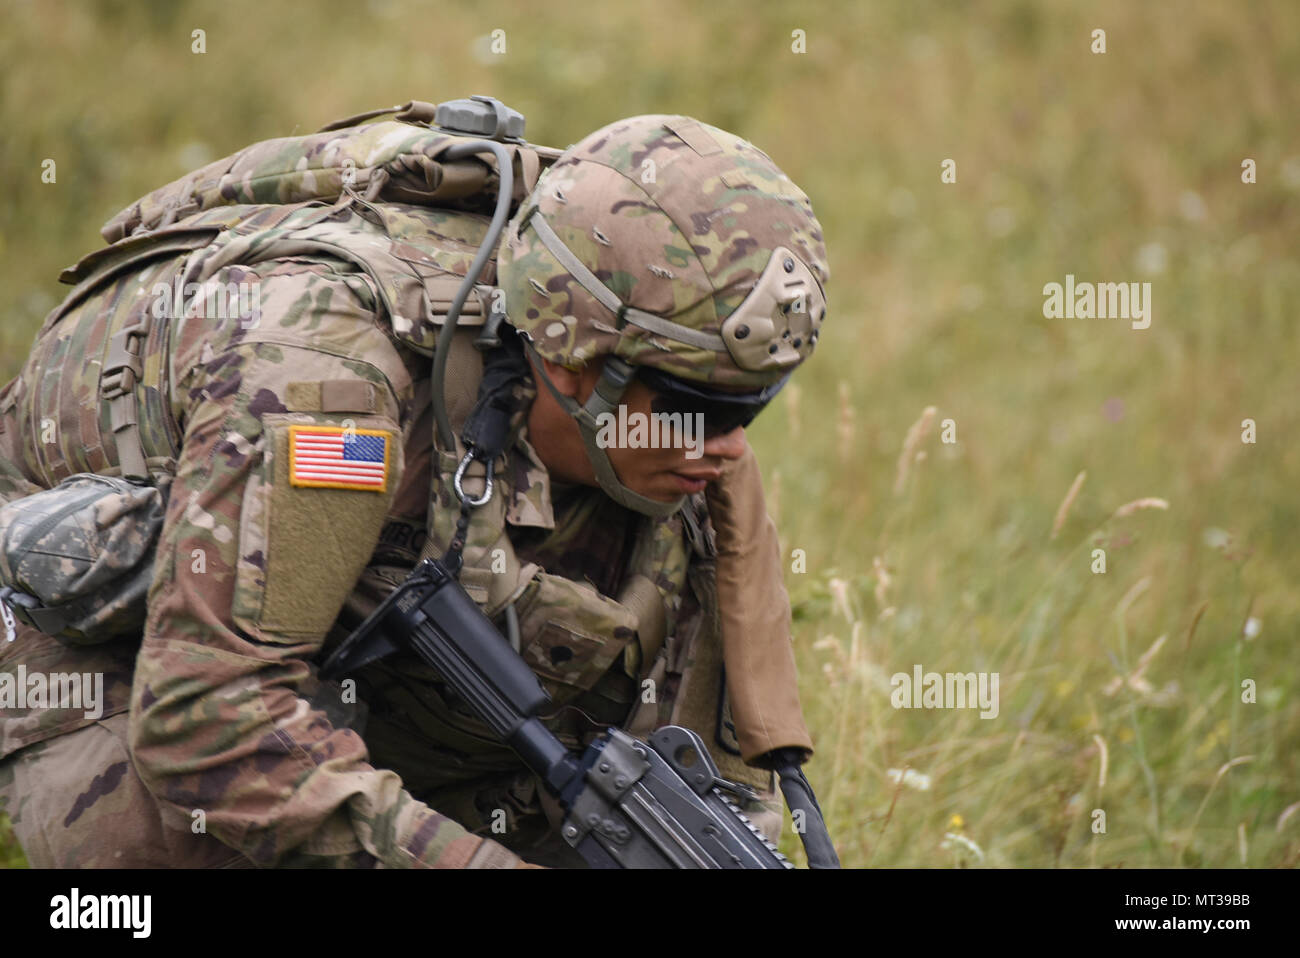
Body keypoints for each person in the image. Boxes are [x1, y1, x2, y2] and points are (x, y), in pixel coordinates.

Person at [0, 101, 830, 868]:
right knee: (168, 844)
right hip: (103, 618)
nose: (724, 448)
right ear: (574, 360)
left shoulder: (682, 444)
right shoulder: (332, 391)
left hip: (350, 603)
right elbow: (209, 720)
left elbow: (692, 777)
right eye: (693, 407)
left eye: (749, 411)